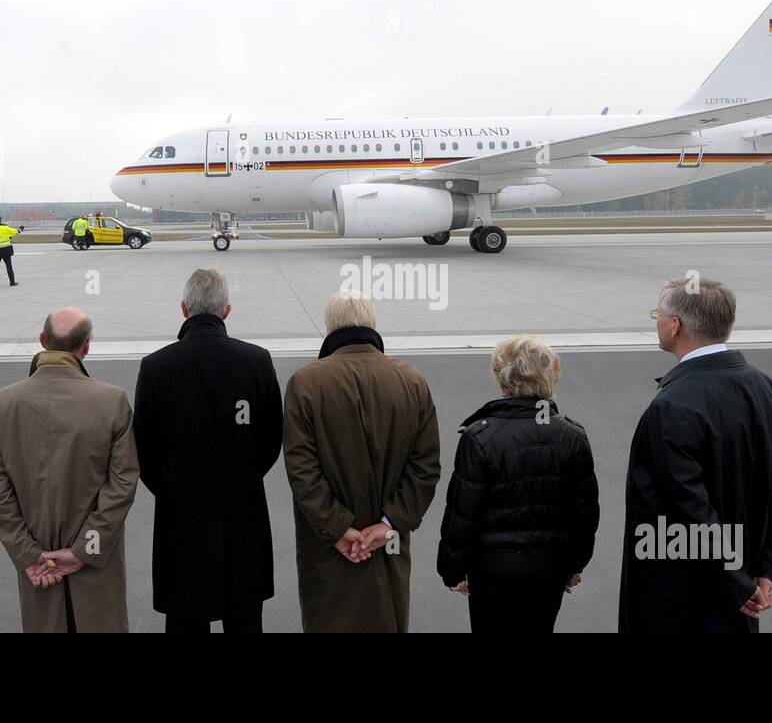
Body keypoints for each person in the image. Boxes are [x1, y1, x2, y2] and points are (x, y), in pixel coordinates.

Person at [620, 277, 772, 633]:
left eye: (657, 314)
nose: (657, 321)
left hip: (681, 597)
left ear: (675, 325)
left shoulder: (672, 405)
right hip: (744, 586)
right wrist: (768, 571)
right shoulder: (771, 391)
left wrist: (734, 583)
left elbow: (686, 509)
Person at [133, 269, 283, 633]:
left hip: (180, 516)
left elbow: (143, 448)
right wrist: (243, 478)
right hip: (242, 512)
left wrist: (172, 488)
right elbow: (271, 439)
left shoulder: (155, 367)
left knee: (185, 618)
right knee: (244, 617)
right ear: (226, 311)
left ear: (184, 309)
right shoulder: (257, 360)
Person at [282, 291, 441, 633]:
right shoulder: (412, 381)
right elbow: (425, 467)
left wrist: (337, 528)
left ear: (329, 328)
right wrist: (390, 523)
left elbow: (302, 470)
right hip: (388, 545)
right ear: (372, 325)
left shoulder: (305, 383)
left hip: (329, 548)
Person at [0, 307, 140, 633]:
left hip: (39, 568)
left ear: (42, 340)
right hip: (96, 567)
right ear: (86, 346)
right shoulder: (112, 401)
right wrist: (86, 548)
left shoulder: (3, 403)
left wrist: (28, 555)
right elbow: (122, 484)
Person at [437, 334, 599, 633]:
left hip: (492, 571)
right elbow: (585, 513)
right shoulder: (572, 436)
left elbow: (462, 513)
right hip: (549, 569)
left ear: (503, 376)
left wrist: (452, 570)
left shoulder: (480, 436)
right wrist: (576, 564)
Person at [0, 215, 24, 288]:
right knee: (9, 266)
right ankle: (12, 282)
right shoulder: (5, 228)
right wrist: (21, 229)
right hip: (6, 250)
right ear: (0, 221)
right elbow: (15, 232)